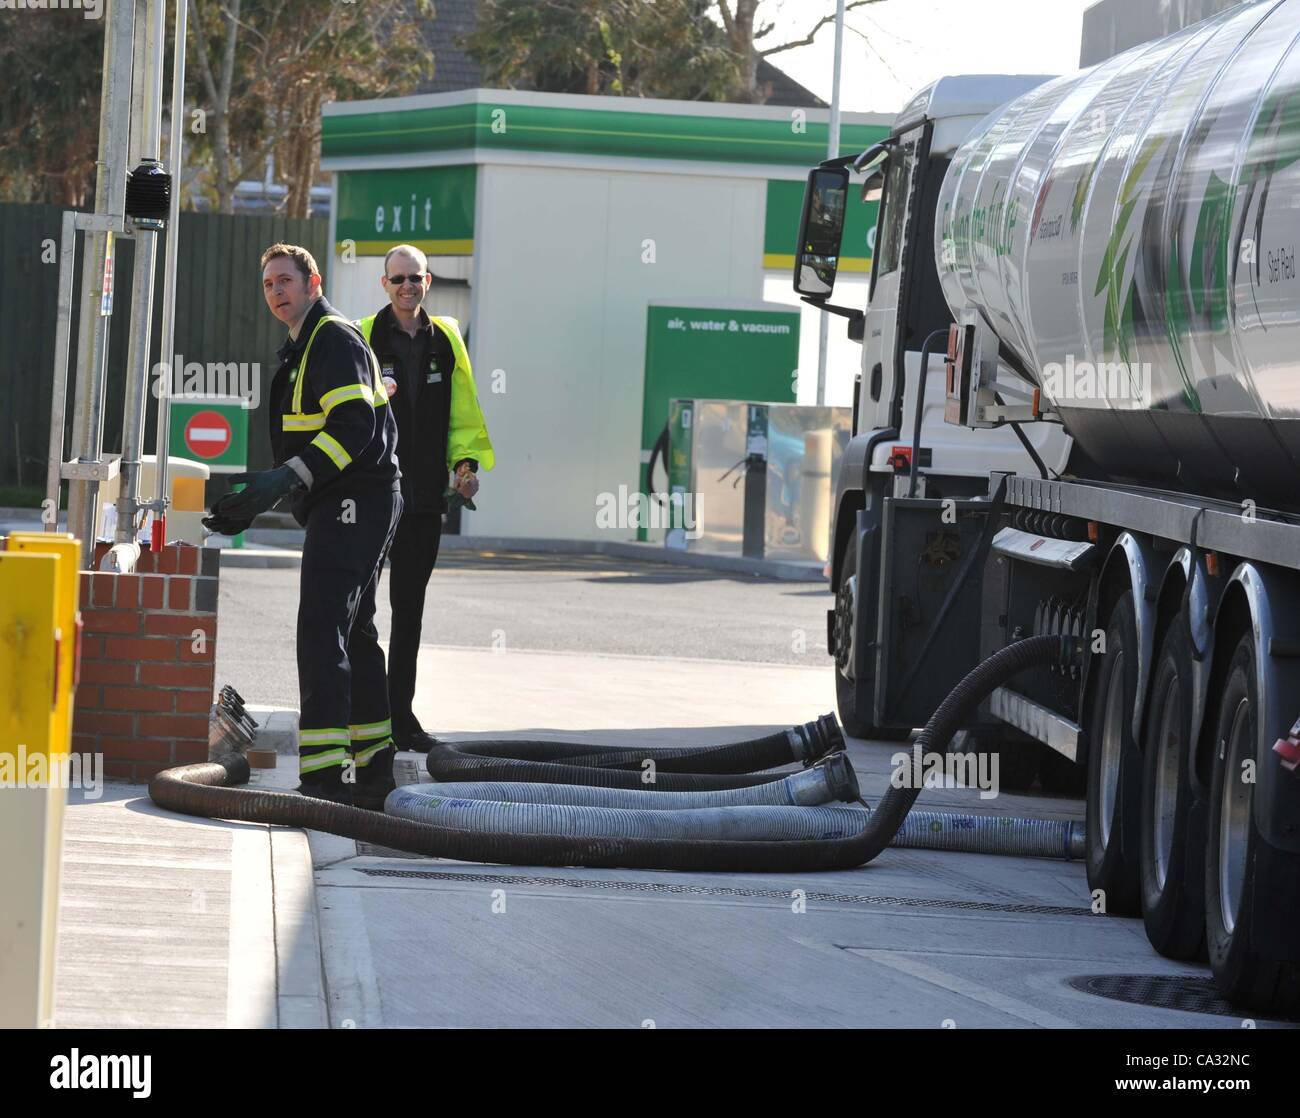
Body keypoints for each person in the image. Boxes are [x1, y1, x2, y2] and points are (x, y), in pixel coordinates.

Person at [204, 243, 403, 809]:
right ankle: (374, 771)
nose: (276, 292)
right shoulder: (304, 344)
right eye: (268, 285)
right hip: (347, 499)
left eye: (285, 281)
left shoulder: (332, 338)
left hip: (355, 499)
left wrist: (283, 479)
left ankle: (320, 777)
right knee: (354, 631)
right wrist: (266, 490)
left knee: (321, 627)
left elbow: (352, 425)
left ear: (314, 282)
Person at [356, 244, 494, 752]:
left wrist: (465, 466)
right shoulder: (363, 335)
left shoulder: (447, 339)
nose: (407, 286)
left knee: (408, 612)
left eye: (415, 278)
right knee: (359, 609)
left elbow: (463, 414)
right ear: (384, 284)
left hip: (423, 503)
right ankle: (364, 716)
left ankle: (401, 719)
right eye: (398, 279)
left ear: (428, 281)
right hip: (374, 496)